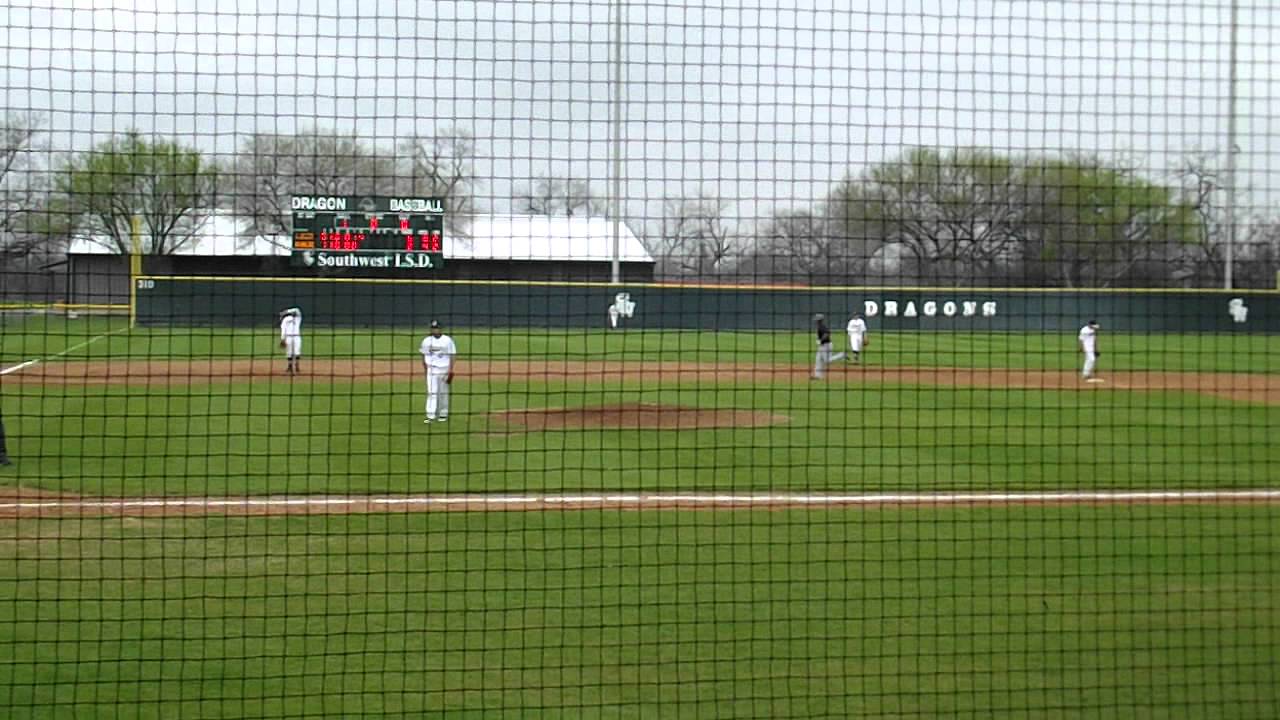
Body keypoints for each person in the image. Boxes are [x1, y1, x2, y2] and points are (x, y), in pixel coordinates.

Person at [419, 320, 457, 423]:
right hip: (431, 369)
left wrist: (450, 369)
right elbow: (423, 355)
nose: (435, 330)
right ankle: (430, 415)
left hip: (444, 369)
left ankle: (443, 414)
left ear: (440, 329)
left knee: (443, 393)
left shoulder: (447, 340)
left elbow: (452, 355)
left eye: (436, 328)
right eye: (433, 328)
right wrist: (425, 369)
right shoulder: (426, 340)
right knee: (431, 392)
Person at [811, 313, 846, 380]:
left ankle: (841, 355)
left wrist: (821, 340)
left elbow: (827, 333)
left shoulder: (822, 326)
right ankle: (818, 376)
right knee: (818, 360)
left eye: (816, 319)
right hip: (822, 346)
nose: (815, 320)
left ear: (819, 320)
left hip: (826, 345)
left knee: (827, 360)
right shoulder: (820, 326)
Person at [278, 307, 303, 375]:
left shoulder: (297, 319)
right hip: (289, 337)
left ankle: (296, 365)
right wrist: (283, 339)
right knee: (289, 352)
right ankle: (290, 366)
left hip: (296, 336)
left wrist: (285, 311)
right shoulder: (285, 320)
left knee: (297, 351)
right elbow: (283, 330)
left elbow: (297, 310)